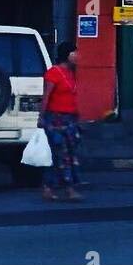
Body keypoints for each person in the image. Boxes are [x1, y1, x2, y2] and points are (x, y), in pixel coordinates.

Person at [40, 42, 81, 202]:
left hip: (70, 120)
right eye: (74, 53)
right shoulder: (53, 73)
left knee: (70, 154)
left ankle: (50, 188)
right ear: (67, 55)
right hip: (56, 120)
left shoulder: (71, 73)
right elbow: (46, 97)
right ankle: (68, 189)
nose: (77, 56)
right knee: (61, 154)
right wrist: (41, 118)